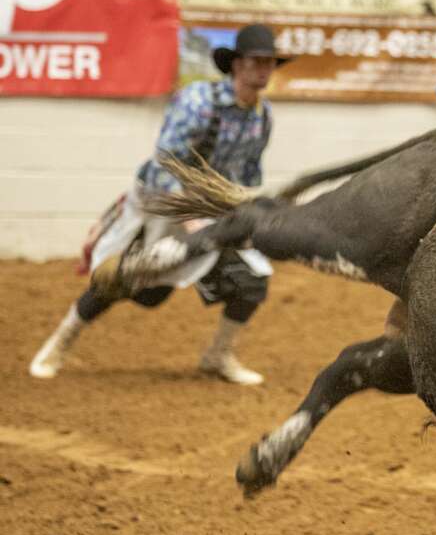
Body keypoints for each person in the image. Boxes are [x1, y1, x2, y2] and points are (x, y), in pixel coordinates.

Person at [30, 25, 289, 386]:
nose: (264, 69)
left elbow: (247, 175)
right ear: (237, 64)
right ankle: (59, 343)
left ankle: (218, 355)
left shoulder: (263, 117)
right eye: (257, 61)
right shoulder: (199, 102)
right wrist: (191, 220)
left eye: (270, 62)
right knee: (124, 280)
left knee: (252, 279)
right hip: (163, 207)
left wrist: (248, 213)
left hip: (210, 214)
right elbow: (165, 163)